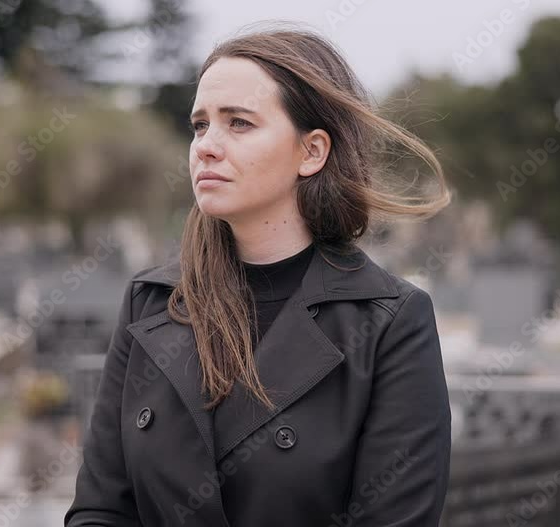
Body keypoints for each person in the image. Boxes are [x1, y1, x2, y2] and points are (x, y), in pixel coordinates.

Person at [65, 23, 453, 527]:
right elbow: (101, 509)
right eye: (200, 125)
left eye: (239, 123)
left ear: (312, 152)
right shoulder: (152, 303)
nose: (206, 146)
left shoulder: (388, 323)